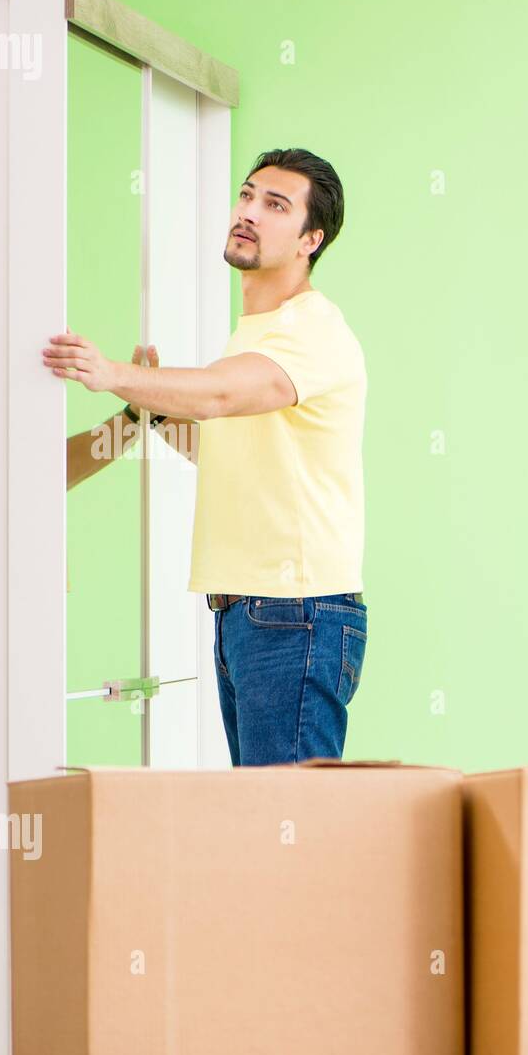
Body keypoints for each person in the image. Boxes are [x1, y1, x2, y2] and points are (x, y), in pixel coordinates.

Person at [46, 148, 367, 766]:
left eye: (276, 206)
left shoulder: (312, 331)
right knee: (263, 825)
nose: (249, 212)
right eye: (247, 196)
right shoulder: (257, 332)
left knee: (291, 829)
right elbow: (223, 447)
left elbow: (218, 396)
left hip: (296, 613)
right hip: (250, 613)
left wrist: (110, 374)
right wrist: (150, 407)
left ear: (311, 239)